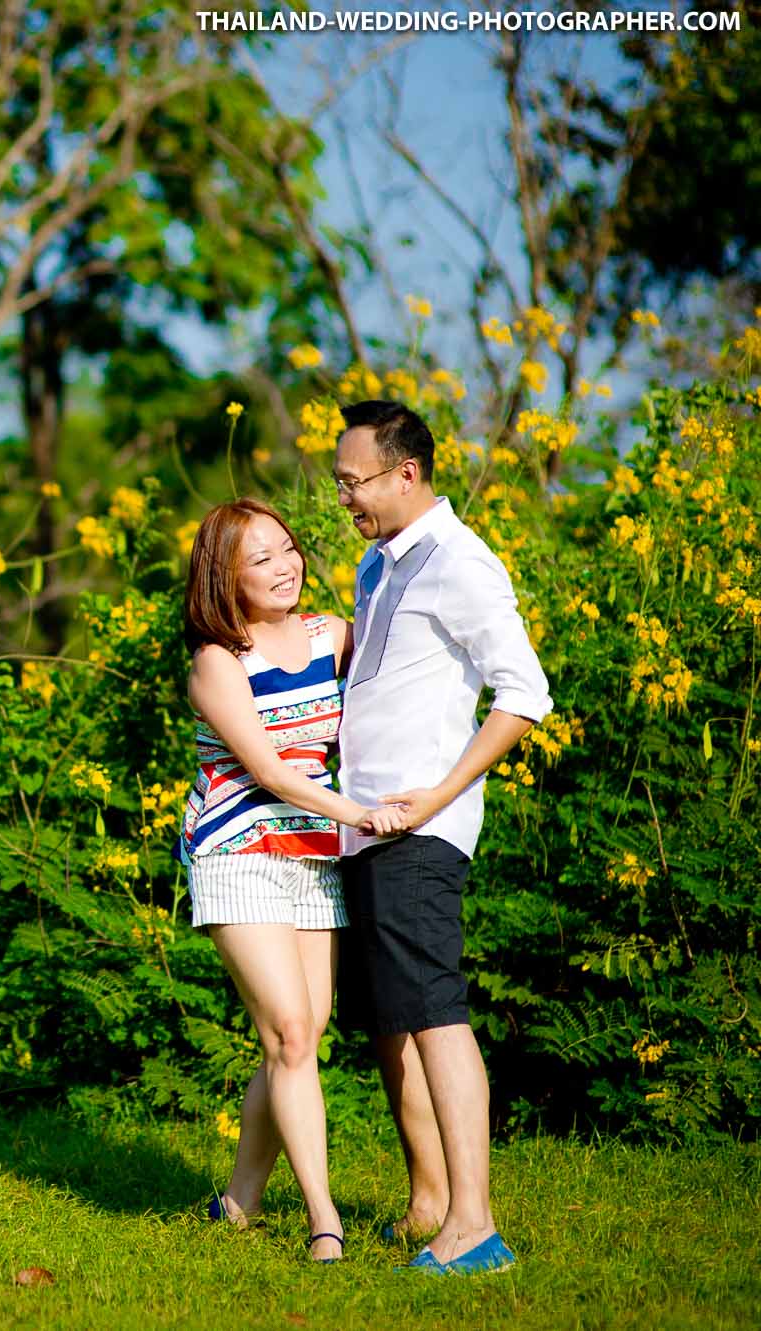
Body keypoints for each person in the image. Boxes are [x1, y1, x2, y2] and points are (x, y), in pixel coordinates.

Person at [331, 399, 552, 1276]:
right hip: (362, 826)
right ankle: (429, 1200)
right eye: (340, 481)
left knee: (435, 1014)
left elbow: (523, 693)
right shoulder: (375, 567)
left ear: (407, 473)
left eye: (354, 481)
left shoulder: (462, 562)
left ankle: (476, 1225)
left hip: (420, 827)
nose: (345, 495)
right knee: (392, 1023)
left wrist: (438, 795)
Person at [177, 497, 403, 1264]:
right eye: (260, 559)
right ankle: (324, 1219)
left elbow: (394, 682)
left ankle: (237, 1202)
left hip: (313, 855)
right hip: (238, 850)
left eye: (288, 549)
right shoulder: (217, 661)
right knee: (292, 1032)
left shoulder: (329, 634)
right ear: (225, 577)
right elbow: (271, 770)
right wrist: (362, 813)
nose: (284, 567)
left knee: (294, 1039)